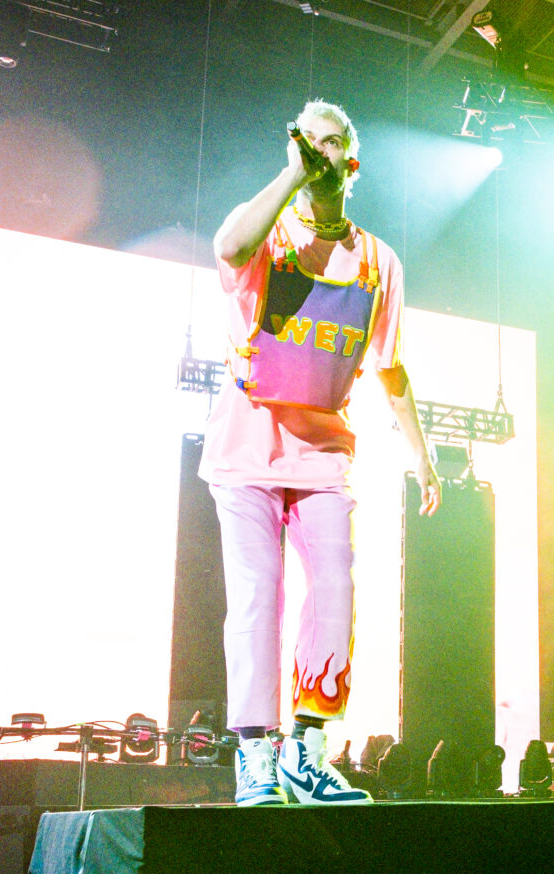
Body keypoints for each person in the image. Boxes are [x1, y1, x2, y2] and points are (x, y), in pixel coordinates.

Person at [200, 99, 441, 805]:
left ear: (352, 160)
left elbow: (391, 371)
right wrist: (287, 176)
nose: (318, 152)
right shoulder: (269, 237)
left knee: (335, 589)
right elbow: (228, 248)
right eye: (306, 142)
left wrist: (421, 455)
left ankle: (308, 749)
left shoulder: (376, 262)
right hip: (246, 450)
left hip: (322, 456)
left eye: (330, 144)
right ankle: (254, 754)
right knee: (257, 596)